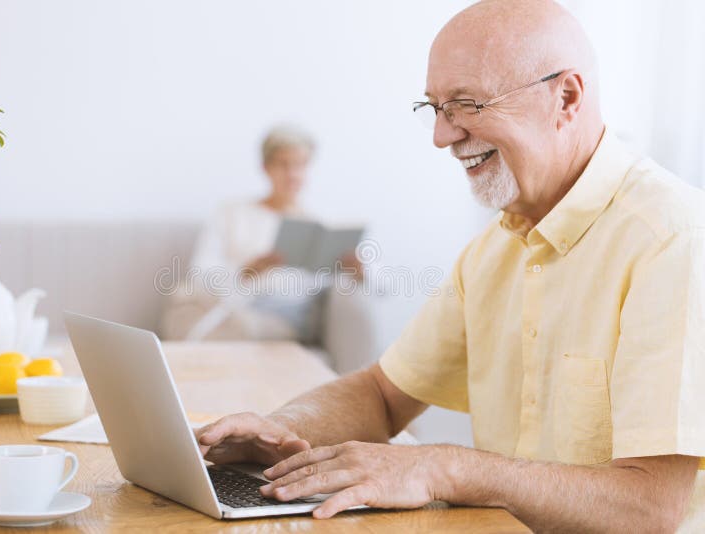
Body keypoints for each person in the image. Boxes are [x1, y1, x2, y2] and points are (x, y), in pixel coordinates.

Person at [193, 1, 705, 531]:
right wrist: (278, 429)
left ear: (566, 97)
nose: (441, 135)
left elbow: (652, 508)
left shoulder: (672, 239)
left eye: (466, 105)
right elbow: (381, 394)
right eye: (435, 107)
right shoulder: (494, 250)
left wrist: (444, 467)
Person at [160, 124, 364, 344]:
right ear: (266, 167)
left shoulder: (322, 226)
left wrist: (357, 271)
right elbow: (201, 272)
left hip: (283, 316)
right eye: (283, 164)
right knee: (191, 314)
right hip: (232, 303)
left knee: (243, 327)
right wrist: (247, 271)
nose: (293, 174)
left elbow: (371, 286)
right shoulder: (232, 212)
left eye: (301, 164)